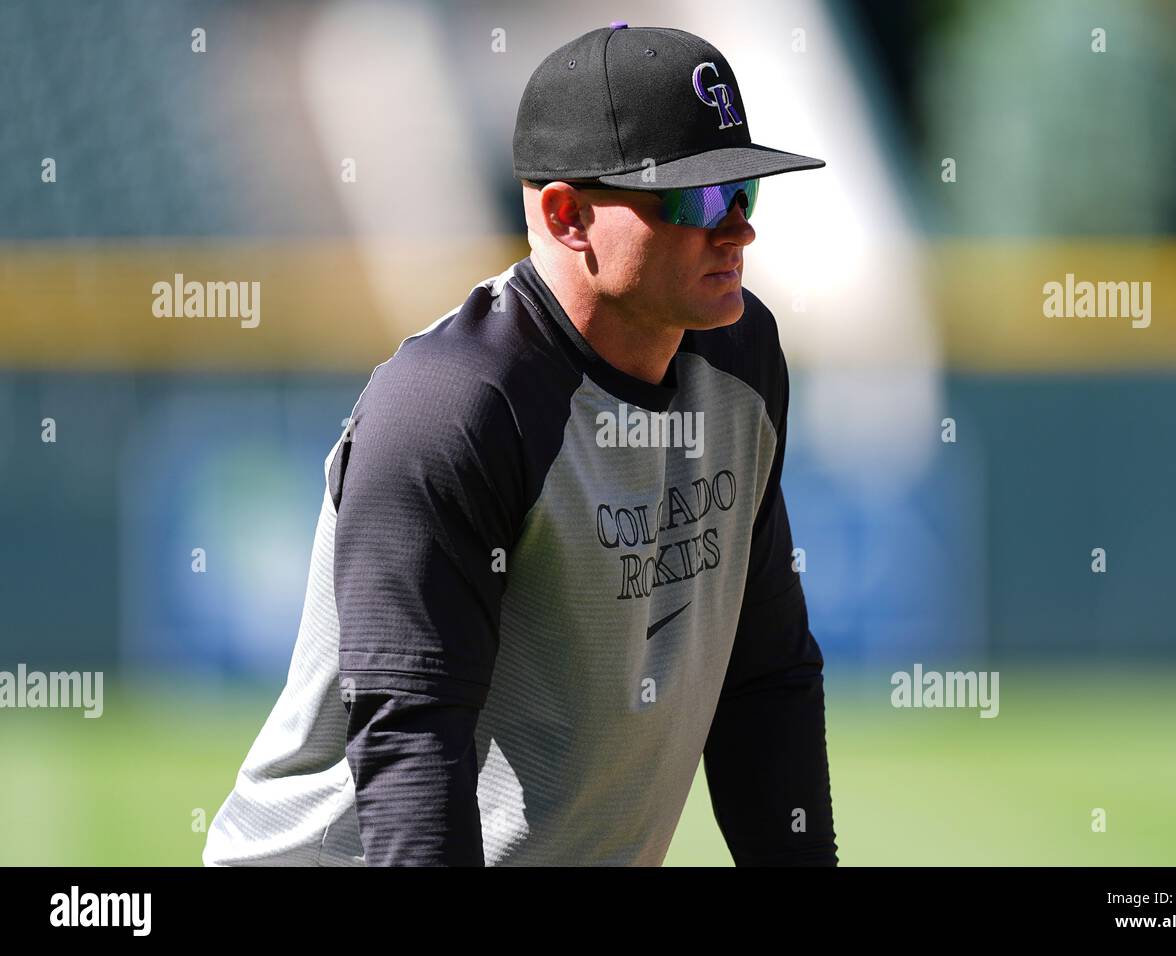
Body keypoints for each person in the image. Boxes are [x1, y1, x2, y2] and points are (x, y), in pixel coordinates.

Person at [203, 21, 836, 867]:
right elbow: (413, 755)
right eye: (696, 201)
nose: (738, 231)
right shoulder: (451, 410)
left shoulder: (741, 357)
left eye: (744, 192)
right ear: (568, 215)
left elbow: (764, 681)